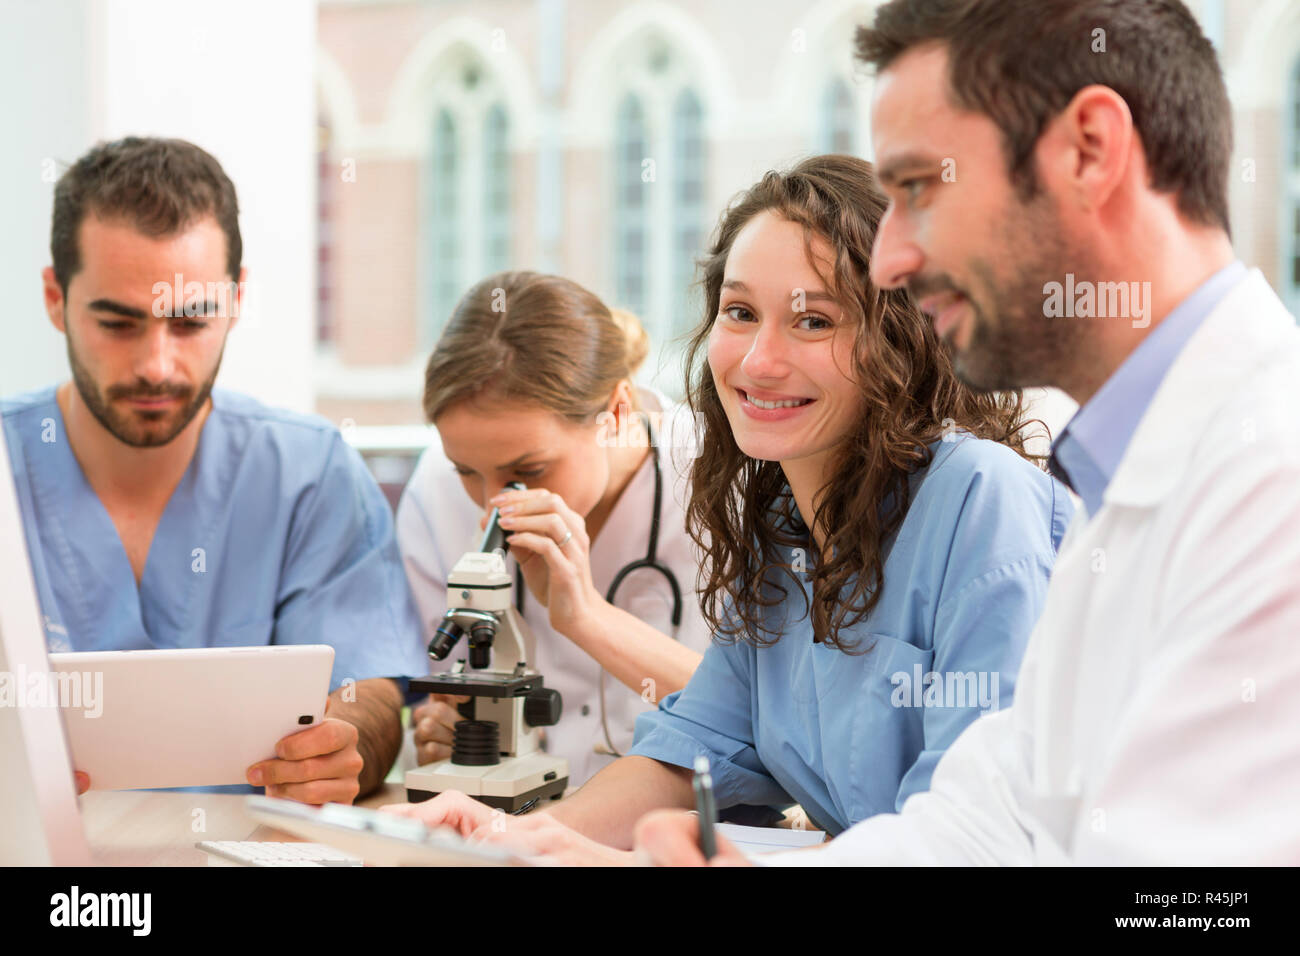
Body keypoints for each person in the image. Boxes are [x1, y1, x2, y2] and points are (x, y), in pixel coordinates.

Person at [639, 0, 1300, 866]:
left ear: (1089, 150)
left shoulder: (1269, 478)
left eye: (919, 188)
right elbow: (984, 821)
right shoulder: (1126, 483)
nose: (891, 262)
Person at [382, 154, 1074, 860]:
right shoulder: (781, 530)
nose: (758, 360)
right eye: (739, 312)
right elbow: (695, 750)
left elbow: (976, 832)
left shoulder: (981, 501)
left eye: (813, 321)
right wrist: (514, 837)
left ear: (898, 338)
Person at [1, 136, 427, 804]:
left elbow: (366, 687)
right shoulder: (10, 464)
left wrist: (343, 743)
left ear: (235, 298)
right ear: (56, 298)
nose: (158, 365)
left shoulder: (307, 475)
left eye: (191, 320)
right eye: (118, 323)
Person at [395, 271, 712, 787]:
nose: (495, 502)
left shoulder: (721, 481)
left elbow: (758, 724)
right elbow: (438, 701)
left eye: (530, 471)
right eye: (468, 472)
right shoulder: (435, 490)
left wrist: (585, 615)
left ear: (616, 411)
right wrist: (436, 736)